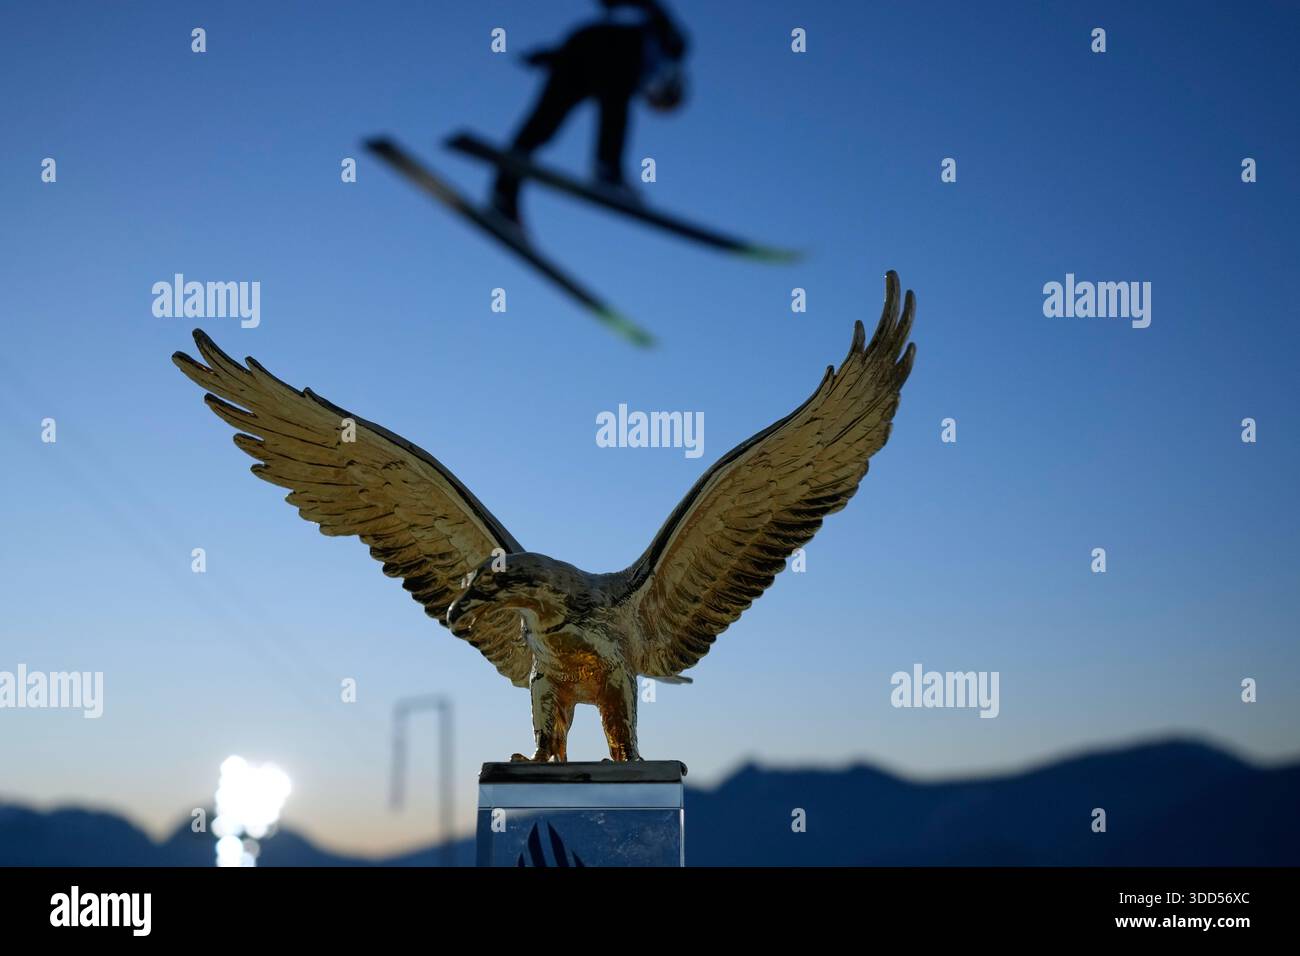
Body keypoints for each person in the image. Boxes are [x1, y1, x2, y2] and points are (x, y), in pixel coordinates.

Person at [490, 0, 689, 228]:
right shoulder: (674, 49)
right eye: (658, 101)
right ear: (672, 89)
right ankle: (607, 172)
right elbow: (657, 11)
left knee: (540, 128)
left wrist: (548, 57)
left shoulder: (641, 72)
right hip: (600, 48)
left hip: (578, 52)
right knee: (615, 98)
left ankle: (502, 200)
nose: (649, 99)